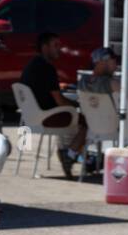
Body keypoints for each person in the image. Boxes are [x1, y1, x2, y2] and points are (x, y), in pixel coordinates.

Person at [20, 32, 85, 179]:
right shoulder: (47, 68)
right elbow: (59, 101)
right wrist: (76, 105)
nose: (59, 49)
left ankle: (66, 151)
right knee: (87, 121)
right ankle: (69, 153)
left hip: (31, 117)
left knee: (71, 115)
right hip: (46, 118)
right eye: (55, 45)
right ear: (44, 47)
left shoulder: (31, 65)